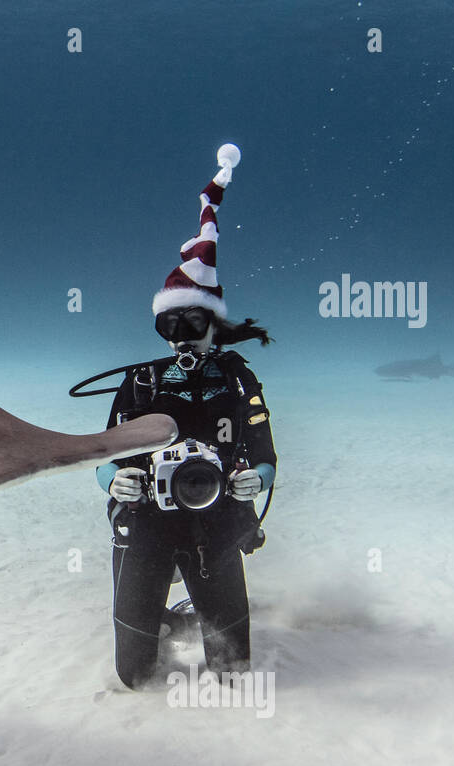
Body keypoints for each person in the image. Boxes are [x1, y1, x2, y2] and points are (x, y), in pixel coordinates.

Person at [95, 144, 277, 688]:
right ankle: (166, 617)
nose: (179, 339)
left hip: (217, 525)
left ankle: (194, 611)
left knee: (234, 669)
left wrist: (252, 481)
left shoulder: (238, 380)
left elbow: (267, 460)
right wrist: (117, 480)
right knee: (134, 674)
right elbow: (102, 457)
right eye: (166, 327)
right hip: (147, 523)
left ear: (215, 325)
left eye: (191, 325)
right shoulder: (142, 381)